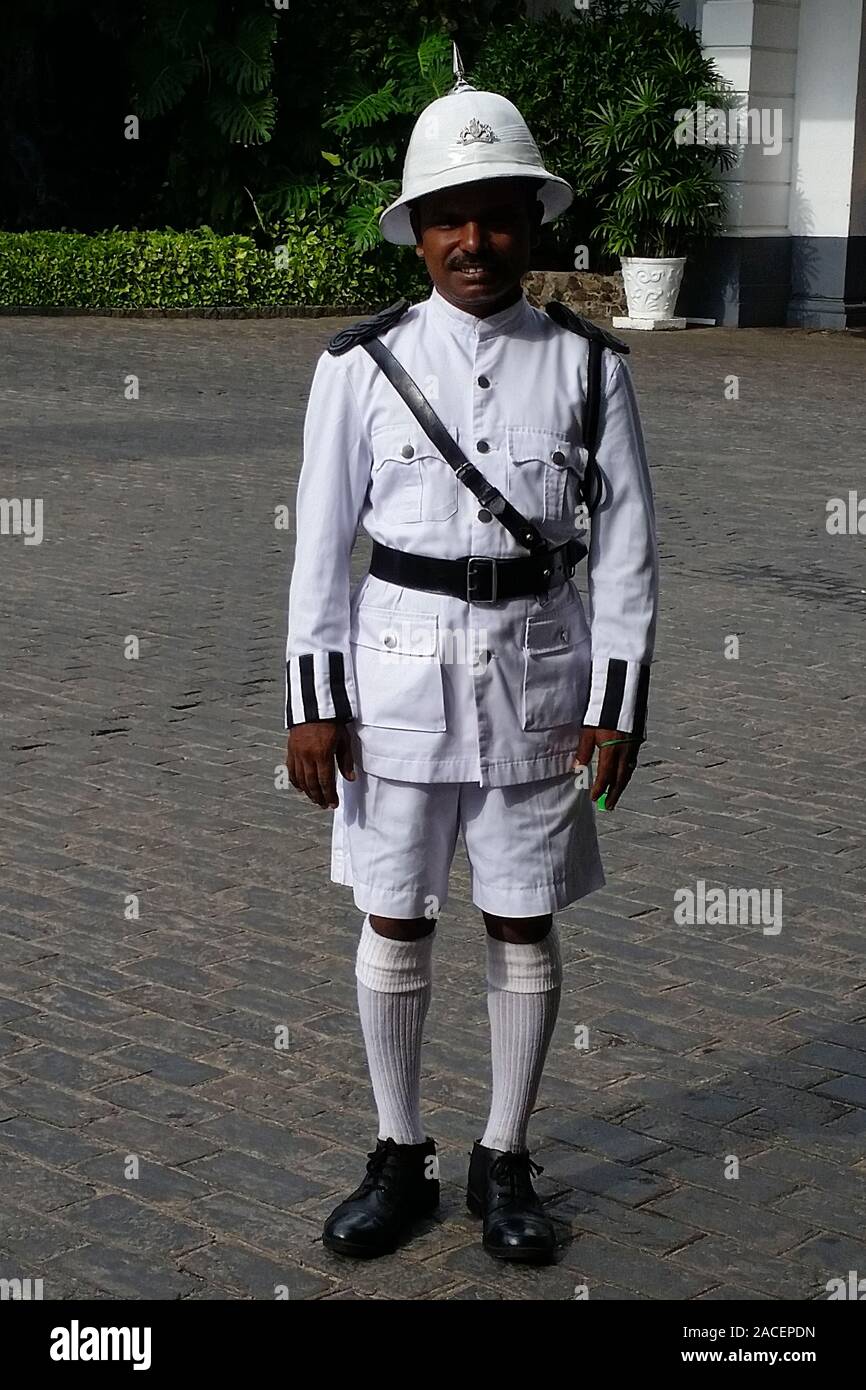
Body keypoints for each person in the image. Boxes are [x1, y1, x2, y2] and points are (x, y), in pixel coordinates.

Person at [284, 52, 658, 1263]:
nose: (472, 239)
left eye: (493, 214)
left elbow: (631, 553)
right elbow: (319, 546)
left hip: (540, 679)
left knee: (519, 919)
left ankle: (504, 1156)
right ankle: (400, 1152)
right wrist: (310, 701)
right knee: (394, 914)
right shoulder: (357, 368)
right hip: (391, 682)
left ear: (528, 223)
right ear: (417, 235)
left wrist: (618, 705)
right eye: (447, 217)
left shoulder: (591, 367)